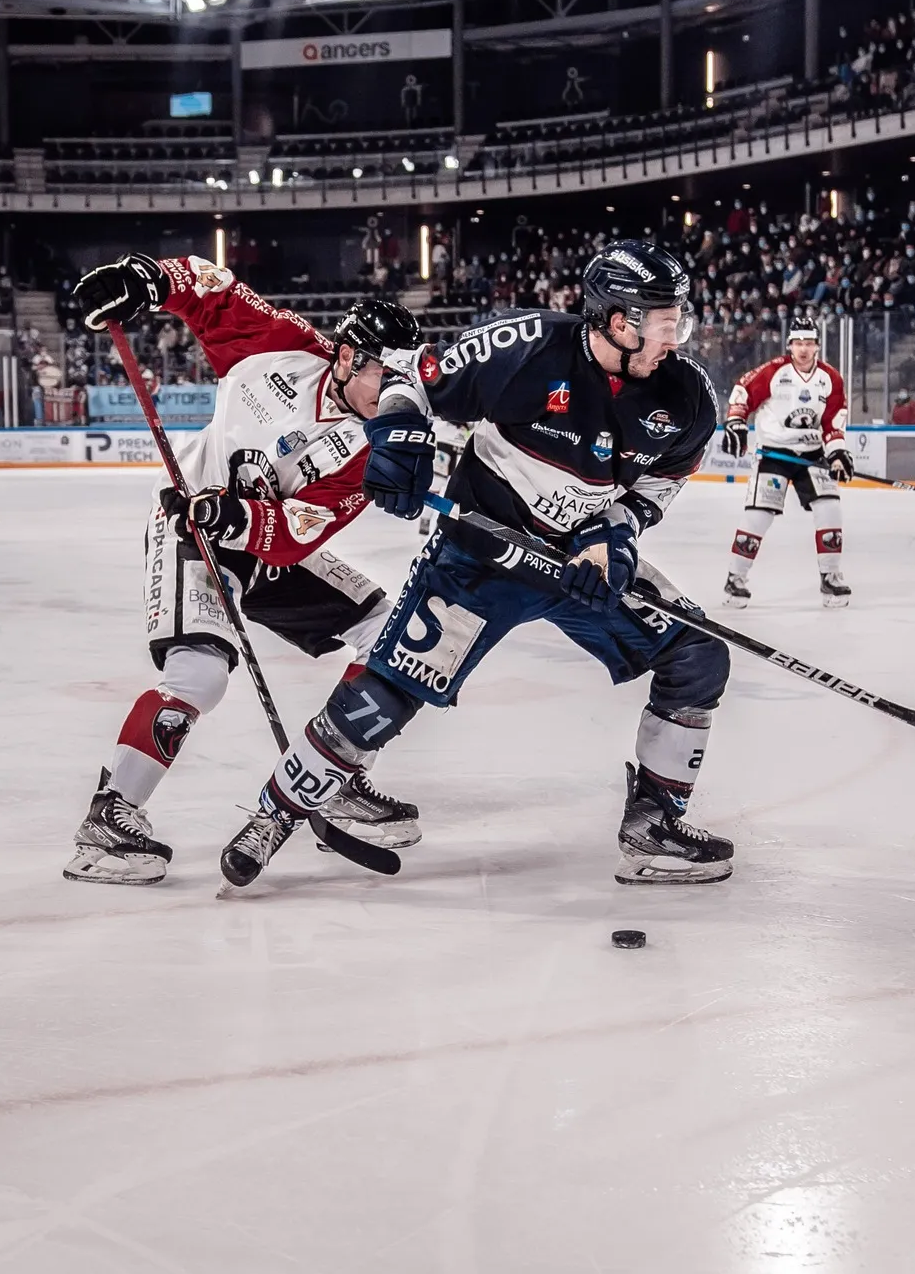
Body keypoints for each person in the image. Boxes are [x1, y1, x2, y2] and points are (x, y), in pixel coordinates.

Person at [222, 240, 734, 888]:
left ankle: (654, 825)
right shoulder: (526, 346)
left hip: (577, 563)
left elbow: (657, 486)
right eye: (663, 323)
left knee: (697, 656)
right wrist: (398, 437)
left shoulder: (687, 398)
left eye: (678, 322)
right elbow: (409, 373)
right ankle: (273, 815)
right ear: (617, 321)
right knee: (387, 694)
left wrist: (615, 535)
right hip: (477, 560)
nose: (674, 338)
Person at [61, 253, 426, 886]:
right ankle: (109, 816)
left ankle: (332, 775)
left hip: (260, 542)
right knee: (199, 674)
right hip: (190, 524)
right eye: (384, 377)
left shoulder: (374, 448)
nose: (396, 395)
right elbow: (211, 290)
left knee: (391, 633)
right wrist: (146, 280)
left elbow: (298, 532)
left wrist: (241, 517)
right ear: (346, 357)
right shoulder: (281, 348)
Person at [718, 315, 855, 609]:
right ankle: (735, 578)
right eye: (798, 343)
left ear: (817, 345)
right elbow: (742, 392)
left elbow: (833, 421)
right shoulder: (774, 371)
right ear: (789, 345)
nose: (803, 349)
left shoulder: (830, 378)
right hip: (774, 455)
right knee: (759, 515)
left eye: (809, 343)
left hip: (812, 455)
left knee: (830, 509)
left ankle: (830, 576)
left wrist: (837, 452)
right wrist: (736, 421)